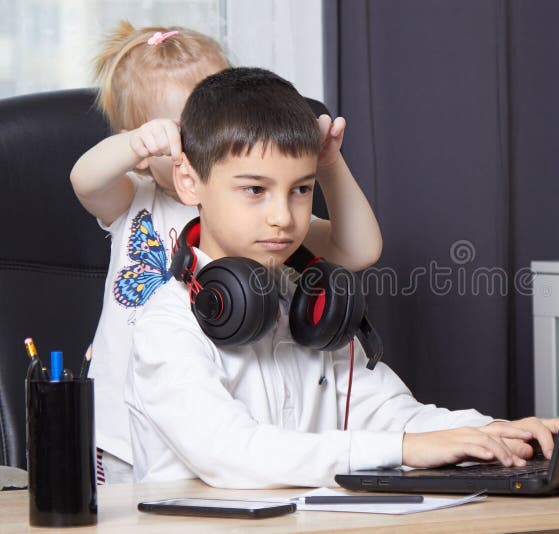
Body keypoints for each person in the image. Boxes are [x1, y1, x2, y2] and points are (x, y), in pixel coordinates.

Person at [126, 66, 559, 488]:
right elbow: (232, 452)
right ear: (189, 182)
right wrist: (404, 449)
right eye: (255, 189)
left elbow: (391, 414)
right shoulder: (165, 327)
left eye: (301, 189)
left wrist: (492, 432)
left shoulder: (311, 308)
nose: (283, 217)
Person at [69, 21, 382, 483]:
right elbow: (84, 179)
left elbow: (359, 250)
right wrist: (133, 146)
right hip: (121, 431)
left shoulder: (260, 214)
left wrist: (329, 165)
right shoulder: (132, 198)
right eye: (184, 129)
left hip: (217, 413)